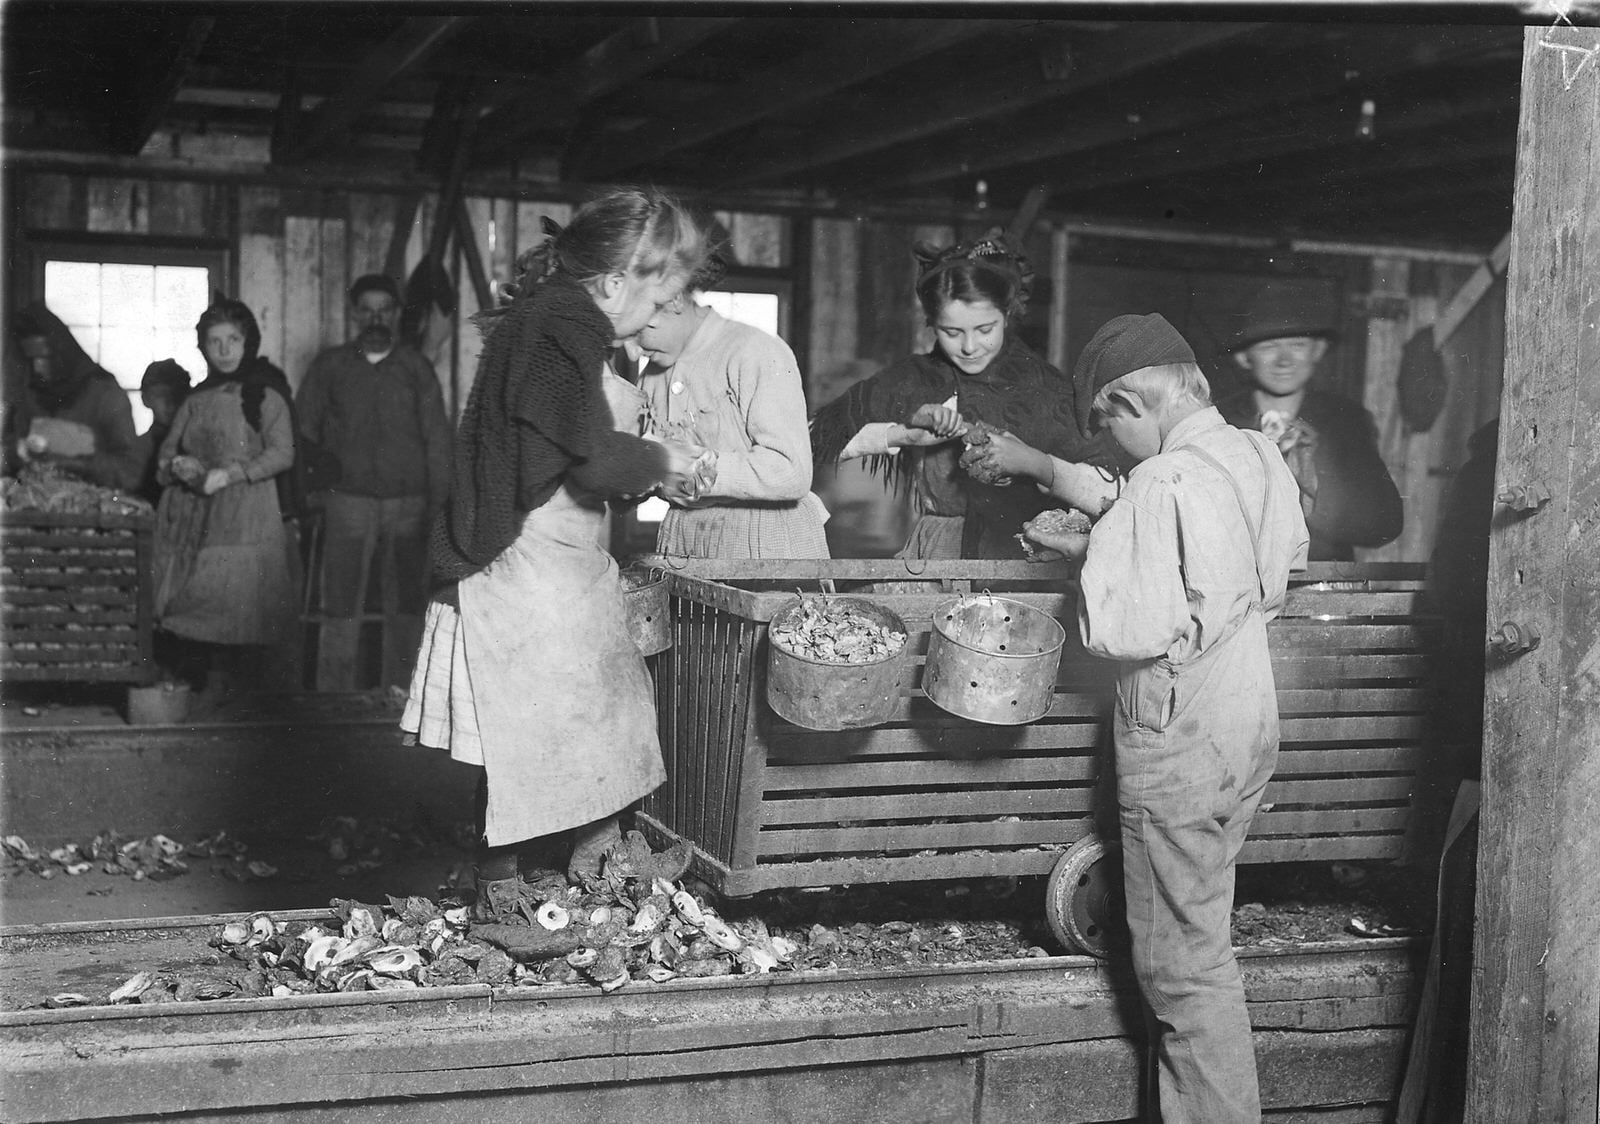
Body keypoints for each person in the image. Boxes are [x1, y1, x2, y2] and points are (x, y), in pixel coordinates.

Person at [1023, 313, 1309, 1123]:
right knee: (1202, 936)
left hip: (1177, 728)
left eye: (1109, 424)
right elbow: (1275, 568)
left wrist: (1095, 557)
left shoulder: (1159, 481)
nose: (1115, 445)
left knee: (1183, 970)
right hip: (1246, 714)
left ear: (1125, 401)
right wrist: (1114, 549)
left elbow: (1127, 630)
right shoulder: (1254, 451)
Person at [401, 187, 710, 916]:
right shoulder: (560, 325)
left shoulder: (554, 318)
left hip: (552, 547)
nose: (656, 316)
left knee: (597, 705)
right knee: (537, 722)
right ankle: (502, 876)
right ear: (613, 283)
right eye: (657, 296)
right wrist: (665, 458)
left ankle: (593, 845)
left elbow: (568, 445)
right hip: (521, 551)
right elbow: (596, 462)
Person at [810, 229, 1121, 560]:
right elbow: (811, 440)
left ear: (1008, 315)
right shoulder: (912, 379)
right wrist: (902, 433)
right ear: (931, 322)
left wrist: (1034, 463)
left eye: (985, 330)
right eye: (951, 332)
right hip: (938, 552)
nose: (970, 347)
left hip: (1032, 555)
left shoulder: (1046, 387)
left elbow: (1110, 489)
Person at [296, 273, 453, 690]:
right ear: (354, 314)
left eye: (384, 309)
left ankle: (400, 701)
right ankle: (334, 700)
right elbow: (304, 434)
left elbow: (437, 440)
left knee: (405, 606)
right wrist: (311, 495)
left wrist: (439, 509)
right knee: (340, 606)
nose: (376, 317)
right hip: (347, 504)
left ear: (397, 314)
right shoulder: (330, 367)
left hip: (408, 506)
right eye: (367, 310)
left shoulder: (415, 369)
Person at [150, 299, 300, 696]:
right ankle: (205, 695)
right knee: (196, 607)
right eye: (214, 341)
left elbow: (283, 452)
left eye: (233, 339)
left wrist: (233, 474)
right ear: (202, 346)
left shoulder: (267, 394)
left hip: (247, 515)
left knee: (240, 607)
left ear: (248, 340)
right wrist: (179, 466)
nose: (224, 350)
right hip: (196, 515)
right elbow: (164, 457)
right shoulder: (196, 400)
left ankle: (241, 705)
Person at [635, 252, 829, 559]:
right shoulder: (652, 373)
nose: (633, 353)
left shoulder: (755, 351)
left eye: (638, 330)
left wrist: (691, 467)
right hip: (685, 541)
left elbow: (791, 472)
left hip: (767, 545)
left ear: (673, 299)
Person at [1215, 284, 1402, 560]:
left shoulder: (1345, 422)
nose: (1284, 360)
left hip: (1321, 582)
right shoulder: (1219, 422)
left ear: (1317, 351)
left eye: (1298, 345)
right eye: (1268, 347)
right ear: (1244, 357)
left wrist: (1314, 496)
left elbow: (1383, 525)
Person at [6, 303, 141, 491]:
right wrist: (16, 453)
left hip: (93, 509)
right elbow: (13, 451)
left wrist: (79, 465)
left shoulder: (106, 394)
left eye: (45, 358)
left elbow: (130, 473)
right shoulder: (31, 395)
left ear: (63, 353)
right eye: (31, 360)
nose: (37, 368)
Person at [131, 360, 193, 507]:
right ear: (145, 399)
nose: (169, 403)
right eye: (160, 395)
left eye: (177, 394)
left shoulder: (193, 445)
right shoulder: (138, 446)